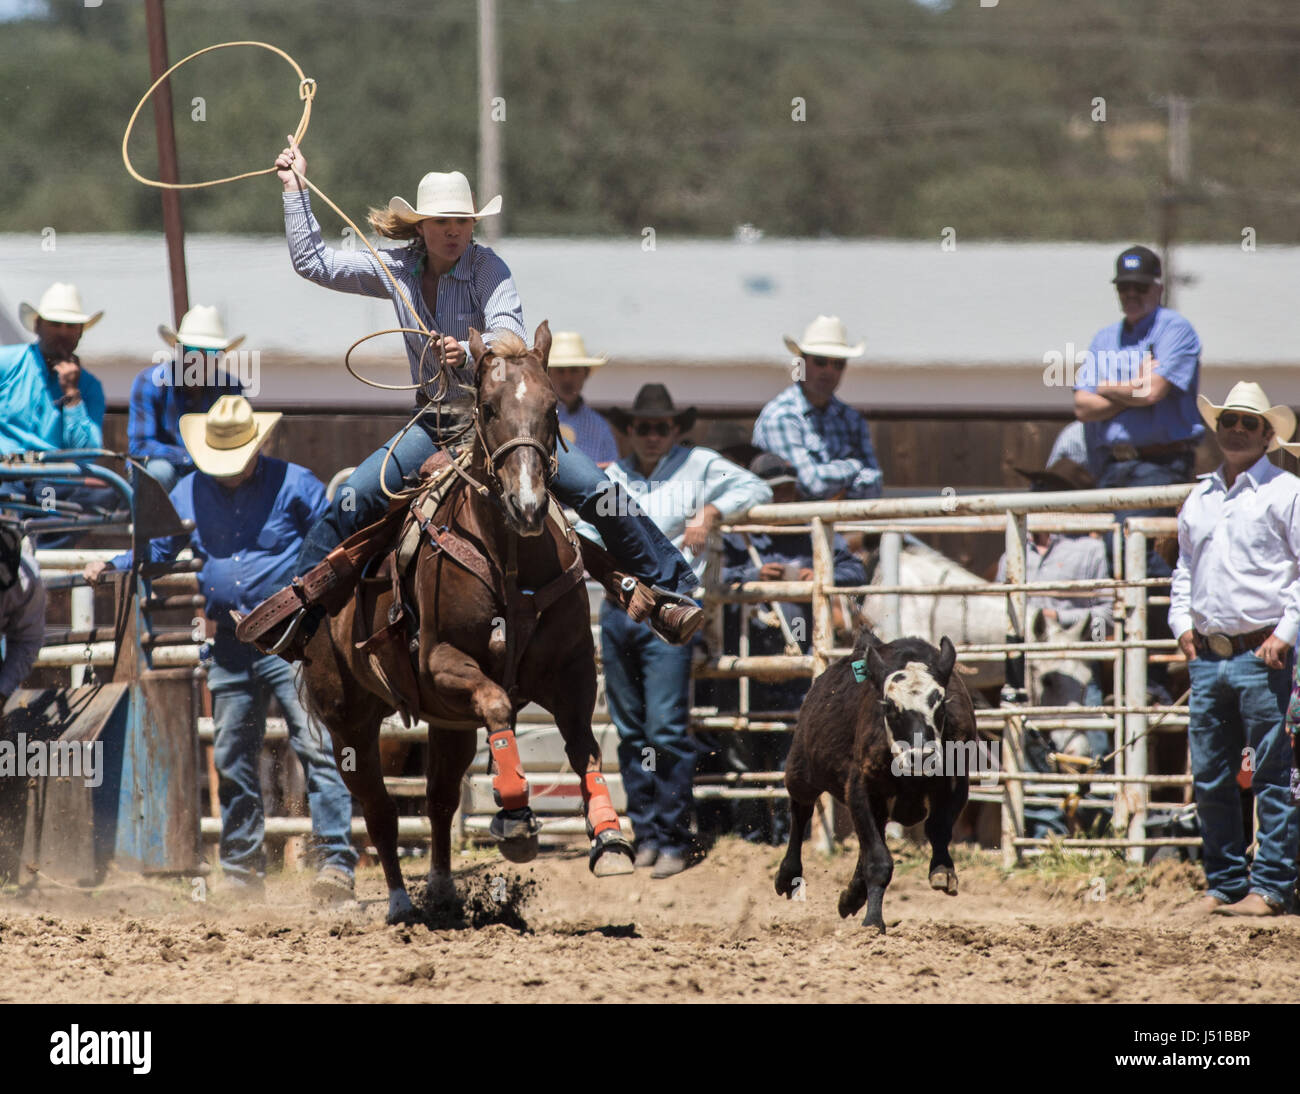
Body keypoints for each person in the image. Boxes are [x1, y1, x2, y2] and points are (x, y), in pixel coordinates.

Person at [243, 140, 700, 655]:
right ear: (420, 227)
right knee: (360, 493)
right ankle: (300, 611)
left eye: (462, 221)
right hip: (435, 420)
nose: (454, 230)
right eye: (442, 222)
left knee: (597, 490)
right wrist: (295, 189)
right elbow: (314, 262)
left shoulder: (489, 269)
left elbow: (510, 335)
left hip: (501, 423)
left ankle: (671, 590)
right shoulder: (394, 268)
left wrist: (471, 352)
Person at [85, 397, 358, 902]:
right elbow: (159, 551)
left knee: (315, 747)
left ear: (259, 447)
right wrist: (117, 564)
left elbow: (335, 544)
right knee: (233, 755)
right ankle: (241, 871)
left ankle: (336, 863)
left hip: (295, 640)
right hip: (232, 644)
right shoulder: (190, 491)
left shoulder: (296, 485)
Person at [591, 384, 771, 877]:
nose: (651, 435)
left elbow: (758, 488)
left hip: (669, 610)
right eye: (643, 427)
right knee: (631, 730)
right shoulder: (612, 478)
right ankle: (647, 833)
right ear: (630, 431)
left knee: (665, 725)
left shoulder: (699, 465)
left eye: (661, 427)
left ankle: (671, 836)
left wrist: (712, 513)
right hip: (621, 606)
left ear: (675, 430)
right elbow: (581, 528)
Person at [1169, 381, 1300, 917]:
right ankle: (1225, 884)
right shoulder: (1199, 497)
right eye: (1230, 421)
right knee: (1213, 774)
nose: (1238, 430)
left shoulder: (1286, 492)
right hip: (1210, 654)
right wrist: (1182, 627)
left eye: (1249, 423)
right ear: (1218, 429)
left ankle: (1269, 888)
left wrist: (1284, 634)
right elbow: (1184, 571)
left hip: (1262, 651)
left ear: (1268, 434)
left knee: (1271, 773)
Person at [715, 453, 867, 843]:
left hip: (798, 662)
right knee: (743, 748)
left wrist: (821, 574)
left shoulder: (812, 531)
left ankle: (788, 836)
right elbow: (710, 575)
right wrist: (750, 576)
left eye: (788, 491)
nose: (783, 499)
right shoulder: (737, 534)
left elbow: (855, 570)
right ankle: (751, 835)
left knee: (794, 751)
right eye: (774, 492)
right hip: (748, 661)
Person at [0, 284, 116, 545]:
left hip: (51, 482)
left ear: (81, 332)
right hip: (6, 472)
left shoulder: (88, 387)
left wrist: (72, 395)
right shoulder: (7, 364)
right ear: (38, 326)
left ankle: (36, 554)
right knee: (7, 508)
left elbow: (87, 452)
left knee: (104, 497)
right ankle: (20, 553)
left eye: (70, 326)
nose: (63, 333)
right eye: (55, 324)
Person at [752, 315, 881, 501]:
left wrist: (833, 488)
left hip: (845, 527)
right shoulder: (781, 416)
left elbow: (875, 485)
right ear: (802, 363)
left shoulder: (851, 418)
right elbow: (811, 485)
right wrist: (854, 466)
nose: (829, 371)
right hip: (795, 529)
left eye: (838, 364)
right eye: (820, 362)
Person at [129, 304, 246, 493]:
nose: (200, 358)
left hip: (213, 470)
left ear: (221, 356)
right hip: (170, 471)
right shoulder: (150, 382)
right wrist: (192, 458)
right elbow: (141, 446)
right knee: (159, 472)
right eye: (192, 348)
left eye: (210, 352)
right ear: (179, 349)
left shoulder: (230, 387)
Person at [0, 520, 47, 885]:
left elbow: (26, 640)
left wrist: (2, 691)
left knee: (11, 759)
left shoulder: (25, 582)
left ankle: (4, 874)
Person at [548, 330, 619, 467]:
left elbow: (611, 476)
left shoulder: (599, 427)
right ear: (548, 374)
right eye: (560, 371)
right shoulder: (534, 419)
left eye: (574, 370)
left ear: (585, 374)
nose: (567, 379)